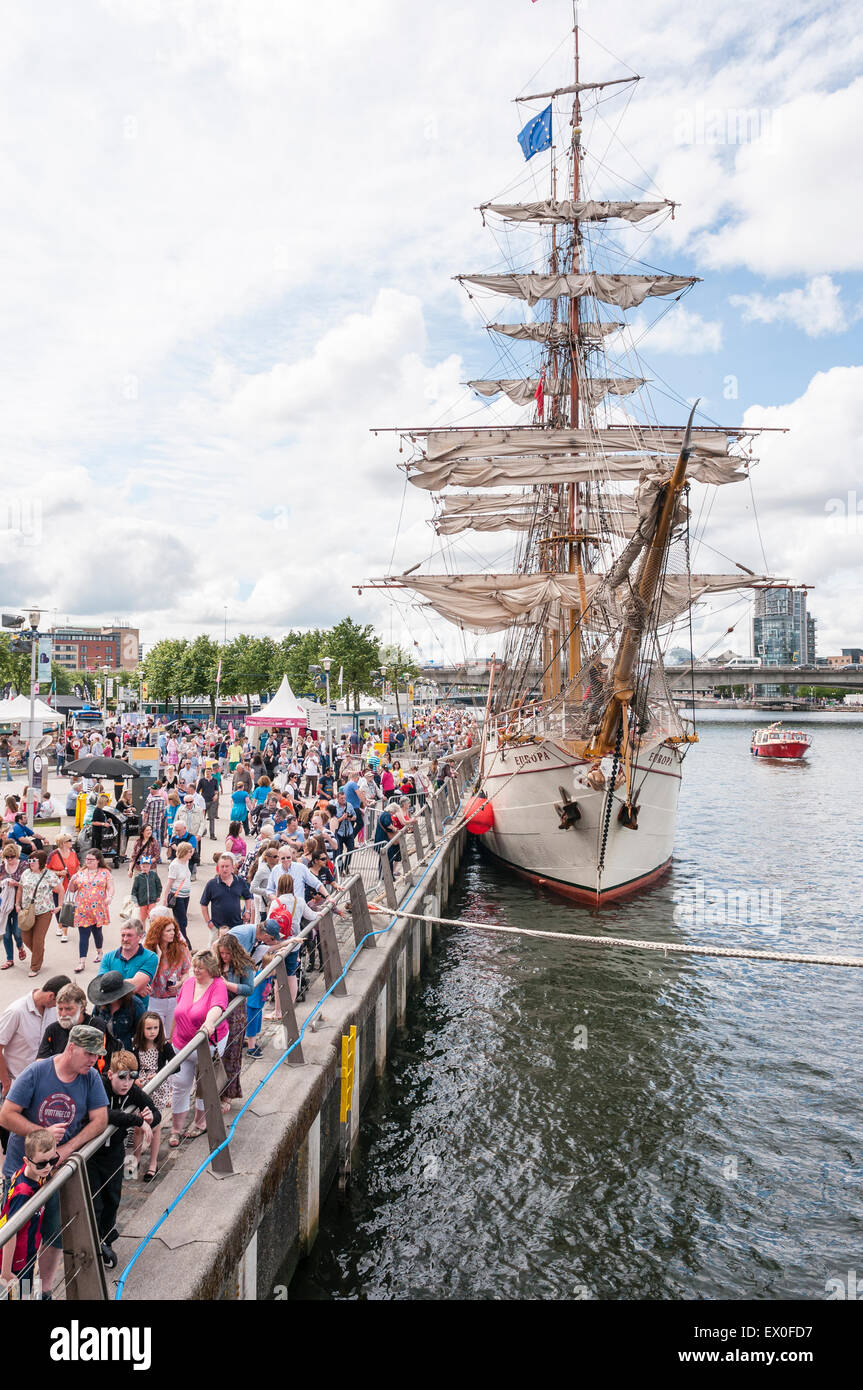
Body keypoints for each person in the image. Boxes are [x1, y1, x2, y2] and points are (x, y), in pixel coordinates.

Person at [0, 1025, 109, 1293]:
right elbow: (6, 1115)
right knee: (17, 1240)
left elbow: (101, 1120)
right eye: (88, 1054)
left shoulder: (91, 1077)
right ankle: (17, 1291)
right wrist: (41, 1133)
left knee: (53, 1235)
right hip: (23, 1172)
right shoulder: (37, 1072)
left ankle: (45, 1291)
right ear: (70, 1048)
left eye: (96, 1055)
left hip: (57, 1172)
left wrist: (69, 1147)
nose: (93, 1060)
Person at [86, 1049, 159, 1264]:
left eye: (133, 1077)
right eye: (122, 1077)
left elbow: (155, 1111)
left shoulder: (132, 1092)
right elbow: (105, 1114)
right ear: (110, 1074)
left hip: (114, 1154)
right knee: (95, 1201)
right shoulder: (98, 1085)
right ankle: (95, 1243)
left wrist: (149, 1117)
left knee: (113, 1198)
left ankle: (106, 1239)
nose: (127, 1082)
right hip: (92, 1154)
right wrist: (136, 1121)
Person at [168, 950, 229, 1145]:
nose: (196, 970)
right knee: (180, 1084)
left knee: (203, 1083)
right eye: (194, 967)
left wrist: (209, 1024)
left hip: (206, 1043)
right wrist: (169, 1038)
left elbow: (217, 1007)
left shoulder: (218, 985)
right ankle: (176, 1128)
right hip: (181, 1043)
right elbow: (177, 1012)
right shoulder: (188, 984)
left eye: (200, 968)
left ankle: (200, 1122)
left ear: (211, 969)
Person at [0, 1128, 60, 1297]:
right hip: (16, 1259)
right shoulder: (23, 1194)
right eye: (42, 1163)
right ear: (27, 1160)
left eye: (53, 1160)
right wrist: (5, 1271)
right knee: (17, 1294)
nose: (48, 1167)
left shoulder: (31, 1173)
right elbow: (10, 1232)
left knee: (25, 1291)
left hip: (28, 1251)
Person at [131, 1013, 174, 1180]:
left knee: (155, 1126)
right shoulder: (136, 1047)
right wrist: (136, 1080)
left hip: (158, 1088)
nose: (152, 1031)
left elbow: (175, 1065)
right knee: (137, 1125)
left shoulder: (163, 1046)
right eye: (149, 1028)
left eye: (156, 1028)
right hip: (141, 1089)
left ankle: (153, 1163)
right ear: (142, 1029)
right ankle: (136, 1159)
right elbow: (131, 1068)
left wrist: (158, 1074)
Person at [215, 933, 255, 1111]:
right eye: (222, 953)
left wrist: (227, 985)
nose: (224, 956)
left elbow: (249, 989)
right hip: (218, 1012)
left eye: (227, 953)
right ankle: (214, 1090)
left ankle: (228, 1094)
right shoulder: (217, 963)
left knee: (231, 1054)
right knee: (217, 1055)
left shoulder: (243, 964)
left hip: (235, 1014)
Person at [15, 850, 62, 979]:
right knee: (25, 937)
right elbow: (20, 888)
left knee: (38, 939)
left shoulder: (49, 875)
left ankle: (35, 966)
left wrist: (60, 906)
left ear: (41, 862)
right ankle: (39, 952)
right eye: (29, 861)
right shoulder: (25, 873)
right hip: (27, 910)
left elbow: (60, 889)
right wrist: (17, 904)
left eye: (34, 861)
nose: (31, 863)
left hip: (44, 911)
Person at [142, 912, 191, 1033]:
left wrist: (180, 983)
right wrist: (157, 958)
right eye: (168, 930)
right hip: (155, 1000)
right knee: (158, 1036)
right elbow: (147, 978)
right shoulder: (148, 951)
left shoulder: (180, 948)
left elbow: (186, 972)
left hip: (175, 999)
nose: (173, 933)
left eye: (173, 930)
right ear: (159, 932)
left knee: (171, 1035)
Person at [68, 850, 114, 974]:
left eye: (91, 859)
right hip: (82, 909)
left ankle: (99, 952)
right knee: (83, 935)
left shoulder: (105, 873)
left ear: (98, 860)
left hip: (98, 909)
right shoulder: (80, 873)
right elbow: (72, 890)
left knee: (97, 933)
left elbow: (110, 887)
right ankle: (81, 962)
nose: (88, 861)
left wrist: (109, 897)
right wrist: (72, 881)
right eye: (87, 859)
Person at [37, 983, 106, 1059]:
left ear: (82, 1007)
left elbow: (95, 1059)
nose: (63, 1014)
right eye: (60, 1009)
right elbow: (40, 1060)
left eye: (68, 1009)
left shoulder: (96, 1026)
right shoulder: (52, 1029)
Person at [98, 921, 159, 1003]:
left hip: (136, 1012)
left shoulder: (150, 957)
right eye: (123, 935)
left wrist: (112, 986)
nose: (125, 939)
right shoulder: (108, 957)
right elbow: (101, 985)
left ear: (140, 936)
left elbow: (136, 986)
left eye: (129, 935)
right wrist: (132, 988)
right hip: (111, 1010)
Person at [200, 854, 253, 942]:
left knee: (235, 953)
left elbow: (248, 897)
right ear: (218, 868)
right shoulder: (212, 884)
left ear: (232, 867)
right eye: (222, 866)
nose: (225, 869)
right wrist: (209, 922)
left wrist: (247, 911)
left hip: (236, 927)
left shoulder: (240, 882)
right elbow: (203, 904)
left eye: (227, 866)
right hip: (217, 928)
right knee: (214, 953)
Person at [47, 835, 79, 946]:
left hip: (70, 886)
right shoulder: (53, 854)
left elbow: (77, 867)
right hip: (57, 886)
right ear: (62, 843)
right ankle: (60, 925)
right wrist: (59, 873)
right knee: (59, 908)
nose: (71, 842)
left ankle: (64, 931)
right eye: (69, 840)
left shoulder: (73, 853)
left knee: (67, 909)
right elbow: (46, 869)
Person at [0, 844, 27, 972]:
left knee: (17, 932)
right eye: (7, 857)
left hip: (18, 904)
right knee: (5, 933)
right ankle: (9, 959)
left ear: (16, 855)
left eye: (11, 857)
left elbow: (27, 883)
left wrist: (16, 884)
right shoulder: (1, 867)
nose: (9, 860)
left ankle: (20, 946)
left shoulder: (23, 866)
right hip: (4, 905)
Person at [162, 841, 194, 943]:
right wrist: (165, 898)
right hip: (177, 896)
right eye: (189, 851)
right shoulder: (174, 865)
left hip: (186, 896)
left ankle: (178, 941)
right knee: (182, 922)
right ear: (184, 852)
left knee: (182, 920)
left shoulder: (186, 862)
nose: (192, 852)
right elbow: (169, 883)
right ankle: (185, 943)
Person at [197, 766, 219, 840]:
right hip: (203, 802)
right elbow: (197, 791)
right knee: (201, 818)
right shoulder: (202, 780)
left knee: (211, 818)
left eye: (209, 772)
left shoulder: (214, 780)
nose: (207, 773)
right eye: (206, 772)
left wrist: (216, 795)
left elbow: (216, 789)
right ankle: (202, 831)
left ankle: (212, 834)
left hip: (212, 801)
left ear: (211, 772)